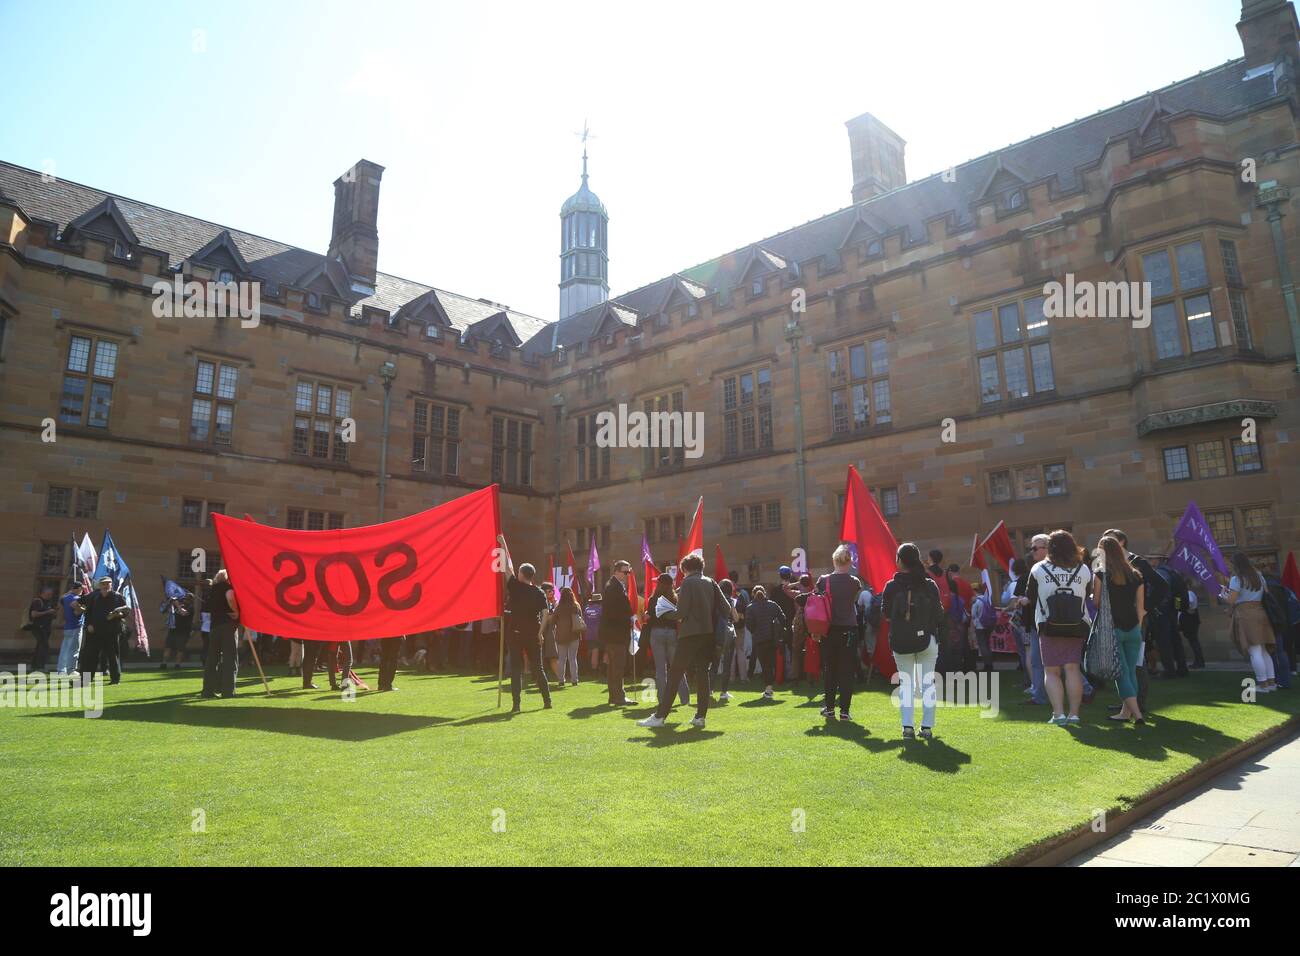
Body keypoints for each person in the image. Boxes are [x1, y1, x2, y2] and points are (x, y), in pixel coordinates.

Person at [637, 554, 727, 729]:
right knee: (703, 674)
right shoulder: (711, 582)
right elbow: (726, 608)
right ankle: (700, 716)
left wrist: (664, 613)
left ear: (685, 569)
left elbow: (681, 613)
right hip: (708, 634)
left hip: (690, 635)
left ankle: (660, 716)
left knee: (675, 674)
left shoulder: (688, 583)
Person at [1025, 530, 1093, 726]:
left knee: (1052, 671)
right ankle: (1074, 714)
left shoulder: (1038, 568)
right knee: (1072, 668)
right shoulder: (1083, 569)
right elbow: (1086, 594)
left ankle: (1058, 714)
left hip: (1048, 624)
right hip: (1077, 624)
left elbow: (1031, 596)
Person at [882, 543, 947, 739]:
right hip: (927, 639)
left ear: (900, 560)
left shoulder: (891, 586)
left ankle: (907, 727)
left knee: (907, 684)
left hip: (901, 640)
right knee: (927, 683)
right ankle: (926, 727)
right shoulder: (929, 584)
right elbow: (939, 614)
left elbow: (885, 615)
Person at [1094, 535, 1146, 724]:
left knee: (1121, 673)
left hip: (1113, 628)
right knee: (1130, 672)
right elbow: (1141, 607)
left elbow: (1097, 602)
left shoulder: (1101, 573)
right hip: (1133, 628)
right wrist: (1138, 628)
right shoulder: (1136, 575)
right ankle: (1126, 713)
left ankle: (1137, 715)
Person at [816, 545, 864, 721]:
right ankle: (845, 710)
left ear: (833, 560)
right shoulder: (854, 582)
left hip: (829, 630)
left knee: (830, 670)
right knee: (846, 671)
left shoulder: (823, 580)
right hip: (849, 629)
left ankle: (829, 708)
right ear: (850, 562)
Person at [1221, 552, 1277, 693]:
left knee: (1255, 651)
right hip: (1261, 612)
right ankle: (1271, 683)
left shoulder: (1237, 578)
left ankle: (1263, 685)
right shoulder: (1259, 576)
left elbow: (1231, 600)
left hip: (1246, 615)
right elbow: (1266, 593)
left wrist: (1223, 594)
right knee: (1264, 651)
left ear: (1235, 564)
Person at [505, 563, 552, 712]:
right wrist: (540, 632)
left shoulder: (515, 587)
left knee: (516, 669)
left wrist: (502, 543)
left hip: (516, 633)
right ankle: (547, 701)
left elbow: (507, 568)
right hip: (533, 634)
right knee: (538, 668)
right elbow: (545, 613)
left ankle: (516, 705)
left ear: (521, 574)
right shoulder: (539, 592)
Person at [1014, 537, 1050, 706]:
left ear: (1046, 548)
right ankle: (1039, 695)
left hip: (1048, 621)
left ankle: (1085, 688)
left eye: (1035, 548)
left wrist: (1026, 600)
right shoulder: (1037, 570)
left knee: (1062, 661)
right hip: (1037, 622)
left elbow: (1035, 597)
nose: (1032, 551)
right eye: (1031, 548)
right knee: (1037, 659)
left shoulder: (1044, 570)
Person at [645, 573, 688, 708]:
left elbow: (649, 616)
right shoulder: (675, 599)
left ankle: (663, 700)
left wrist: (648, 616)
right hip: (671, 633)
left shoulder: (653, 599)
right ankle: (684, 698)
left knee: (660, 669)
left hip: (656, 632)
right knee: (676, 666)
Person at [598, 561, 635, 706]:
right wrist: (629, 618)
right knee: (617, 666)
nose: (627, 575)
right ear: (617, 572)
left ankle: (615, 696)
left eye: (628, 572)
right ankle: (618, 697)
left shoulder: (615, 586)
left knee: (614, 667)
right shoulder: (614, 587)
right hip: (615, 633)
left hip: (613, 633)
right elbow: (614, 612)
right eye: (625, 572)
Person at [78, 576, 127, 685]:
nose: (105, 587)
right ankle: (85, 680)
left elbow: (126, 611)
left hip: (111, 631)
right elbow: (86, 610)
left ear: (111, 585)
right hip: (94, 631)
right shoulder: (93, 596)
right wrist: (88, 625)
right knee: (89, 656)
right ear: (100, 586)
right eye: (103, 584)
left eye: (107, 584)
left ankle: (115, 679)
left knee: (113, 656)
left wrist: (117, 614)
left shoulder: (117, 597)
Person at [201, 569, 240, 698]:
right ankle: (228, 691)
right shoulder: (227, 588)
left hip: (214, 627)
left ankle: (208, 690)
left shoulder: (212, 591)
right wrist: (236, 611)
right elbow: (230, 598)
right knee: (230, 658)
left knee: (212, 659)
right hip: (228, 626)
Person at [746, 585, 788, 700]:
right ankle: (769, 688)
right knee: (770, 664)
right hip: (772, 638)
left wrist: (755, 630)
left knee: (765, 665)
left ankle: (768, 688)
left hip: (759, 640)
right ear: (765, 593)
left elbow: (749, 624)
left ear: (754, 594)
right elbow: (783, 618)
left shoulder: (750, 607)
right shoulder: (773, 605)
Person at [549, 587, 584, 686]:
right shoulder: (576, 606)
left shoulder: (559, 608)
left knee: (561, 659)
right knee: (573, 658)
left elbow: (552, 622)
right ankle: (574, 680)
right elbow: (581, 619)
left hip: (561, 635)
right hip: (574, 634)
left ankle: (561, 680)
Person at [715, 579, 744, 701]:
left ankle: (710, 690)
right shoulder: (731, 601)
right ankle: (723, 691)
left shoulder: (715, 600)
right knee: (727, 663)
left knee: (714, 663)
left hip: (716, 633)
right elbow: (736, 619)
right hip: (728, 634)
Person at [772, 566, 799, 679]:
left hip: (780, 623)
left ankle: (780, 674)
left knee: (780, 649)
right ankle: (793, 674)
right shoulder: (795, 589)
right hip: (793, 621)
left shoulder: (776, 590)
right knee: (793, 648)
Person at [26, 585, 58, 672]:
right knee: (44, 646)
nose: (50, 596)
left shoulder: (48, 602)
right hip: (38, 627)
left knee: (39, 646)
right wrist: (48, 612)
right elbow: (34, 614)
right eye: (49, 594)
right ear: (43, 593)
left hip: (46, 628)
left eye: (51, 594)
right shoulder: (37, 601)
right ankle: (40, 666)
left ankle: (34, 665)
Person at [56, 582, 85, 676]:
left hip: (67, 626)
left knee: (65, 649)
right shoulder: (76, 599)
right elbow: (77, 611)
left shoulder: (65, 598)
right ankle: (71, 670)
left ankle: (61, 669)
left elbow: (61, 599)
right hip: (75, 625)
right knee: (74, 649)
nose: (82, 591)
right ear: (78, 588)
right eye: (81, 589)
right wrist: (85, 608)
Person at [162, 590, 195, 669]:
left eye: (187, 599)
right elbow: (165, 610)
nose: (184, 600)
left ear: (190, 600)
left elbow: (184, 613)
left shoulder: (191, 608)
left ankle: (177, 664)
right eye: (184, 598)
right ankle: (164, 664)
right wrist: (171, 601)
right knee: (168, 647)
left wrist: (177, 605)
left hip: (183, 632)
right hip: (173, 630)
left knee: (180, 649)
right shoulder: (178, 606)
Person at [971, 581, 997, 676]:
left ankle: (987, 665)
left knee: (983, 646)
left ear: (974, 591)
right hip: (988, 626)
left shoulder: (976, 601)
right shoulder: (987, 599)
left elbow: (973, 615)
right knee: (987, 644)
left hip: (980, 626)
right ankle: (990, 664)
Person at [1179, 586, 1206, 669]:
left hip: (1190, 621)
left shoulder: (1188, 593)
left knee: (1194, 642)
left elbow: (1189, 603)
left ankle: (1199, 662)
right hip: (1189, 620)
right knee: (1193, 642)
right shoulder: (1184, 594)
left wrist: (1183, 606)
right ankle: (1199, 661)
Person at [582, 593, 604, 674]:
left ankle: (588, 667)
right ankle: (593, 669)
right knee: (596, 650)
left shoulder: (586, 609)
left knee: (590, 649)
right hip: (598, 633)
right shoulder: (601, 609)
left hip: (588, 632)